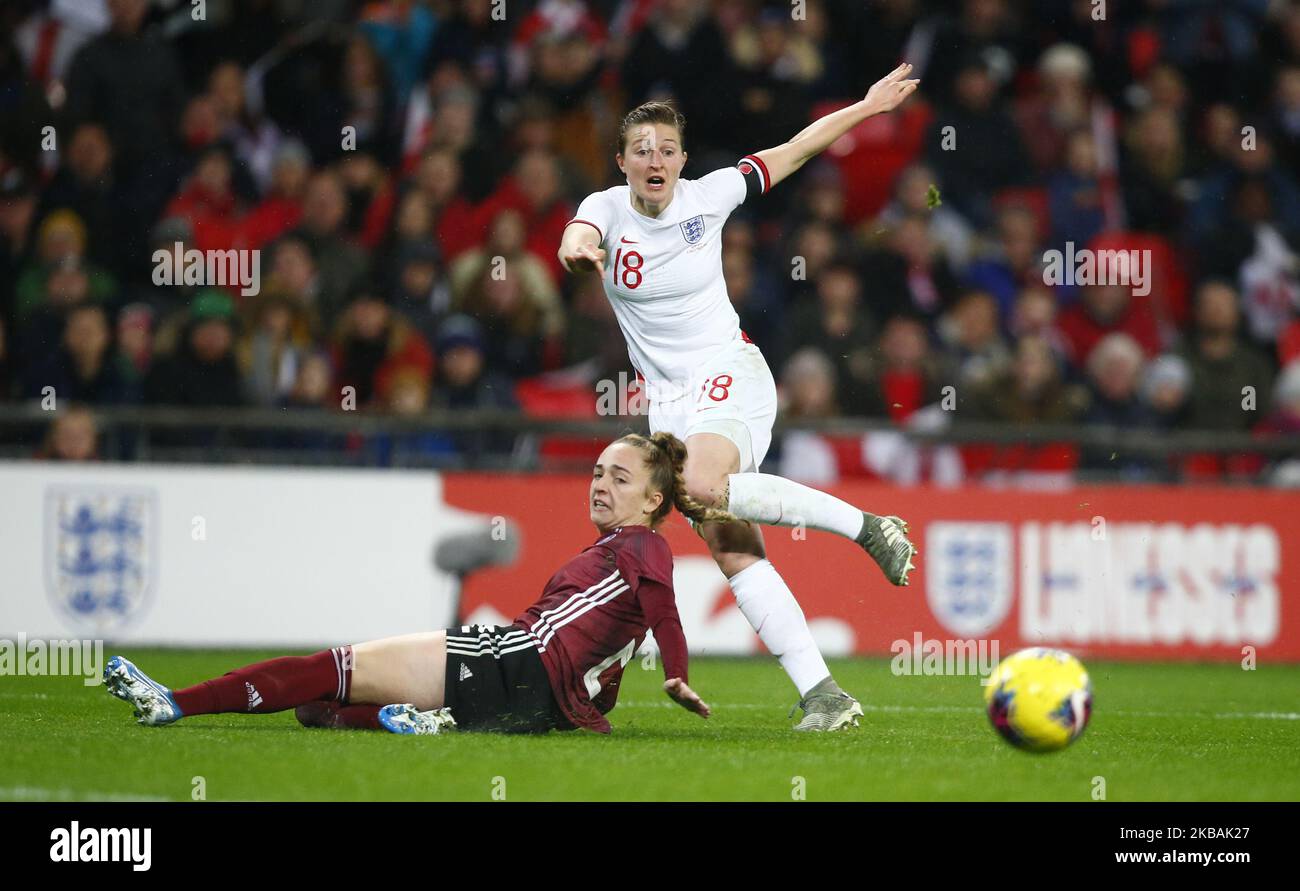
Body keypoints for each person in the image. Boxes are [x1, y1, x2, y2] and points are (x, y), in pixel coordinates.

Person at [556, 66, 922, 731]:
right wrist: (580, 250)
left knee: (698, 482)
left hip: (730, 370)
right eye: (641, 150)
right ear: (622, 162)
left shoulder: (711, 195)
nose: (655, 160)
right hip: (667, 404)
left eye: (667, 149)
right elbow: (576, 234)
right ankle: (823, 692)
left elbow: (794, 150)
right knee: (731, 547)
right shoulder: (606, 209)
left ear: (683, 160)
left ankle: (868, 526)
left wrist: (866, 107)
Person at [103, 433, 717, 735]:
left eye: (620, 478)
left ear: (654, 499)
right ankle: (406, 720)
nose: (600, 484)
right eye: (596, 472)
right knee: (317, 712)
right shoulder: (620, 553)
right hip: (531, 698)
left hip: (510, 661)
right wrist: (580, 708)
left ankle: (176, 702)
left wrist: (676, 671)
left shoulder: (644, 545)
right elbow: (608, 668)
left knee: (333, 668)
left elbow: (663, 608)